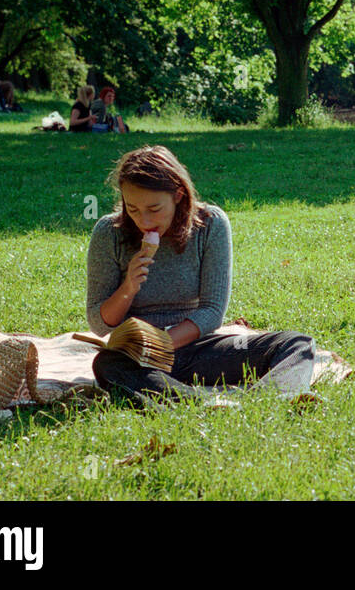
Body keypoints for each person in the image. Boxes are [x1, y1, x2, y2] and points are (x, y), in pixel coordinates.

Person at [86, 145, 316, 403]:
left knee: (295, 343)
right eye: (133, 209)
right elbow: (98, 322)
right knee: (107, 364)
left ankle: (275, 399)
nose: (144, 220)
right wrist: (128, 287)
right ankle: (201, 403)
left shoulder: (210, 224)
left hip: (199, 349)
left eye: (154, 208)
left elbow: (212, 310)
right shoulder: (109, 232)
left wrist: (162, 344)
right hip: (137, 358)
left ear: (178, 195)